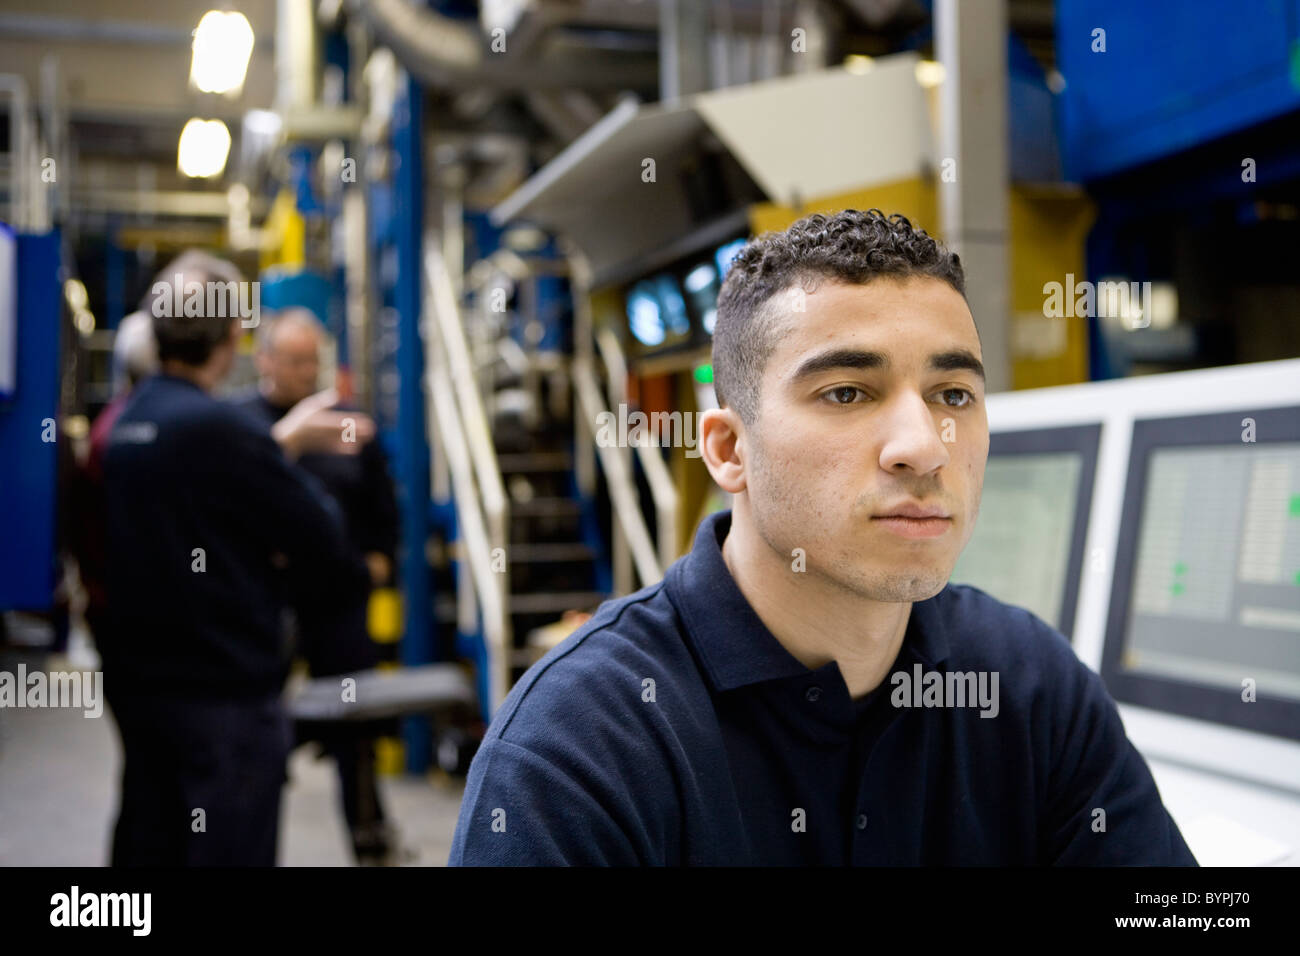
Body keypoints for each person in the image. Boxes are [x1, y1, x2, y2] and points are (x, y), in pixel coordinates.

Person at [449, 209, 1198, 866]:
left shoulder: (1029, 686)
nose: (924, 446)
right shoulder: (578, 752)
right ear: (728, 450)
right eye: (847, 392)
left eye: (953, 394)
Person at [101, 251, 362, 866]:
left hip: (140, 695)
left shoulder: (121, 427)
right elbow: (321, 540)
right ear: (232, 337)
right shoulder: (225, 431)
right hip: (226, 701)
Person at [232, 307, 401, 865]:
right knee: (255, 747)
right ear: (265, 360)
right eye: (294, 361)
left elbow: (385, 515)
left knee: (357, 743)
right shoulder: (240, 426)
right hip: (263, 610)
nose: (307, 372)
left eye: (313, 361)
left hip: (339, 606)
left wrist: (374, 567)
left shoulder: (349, 424)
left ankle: (371, 846)